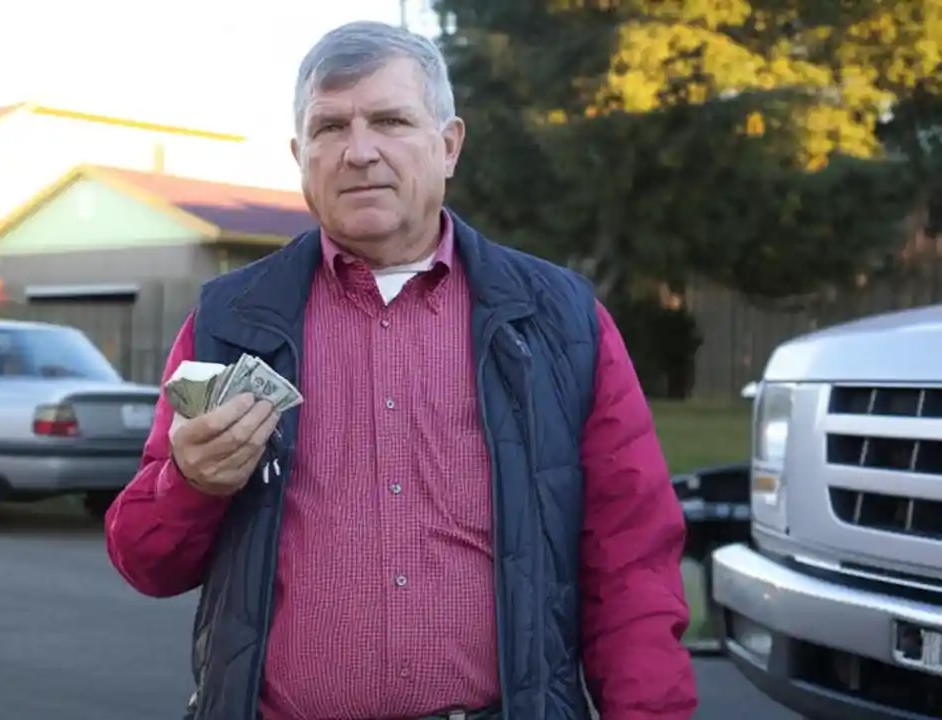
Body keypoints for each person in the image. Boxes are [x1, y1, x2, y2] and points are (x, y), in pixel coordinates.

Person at [105, 19, 698, 720]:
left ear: (448, 146)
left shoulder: (559, 322)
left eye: (390, 119)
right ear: (300, 156)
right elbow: (146, 561)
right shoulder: (227, 324)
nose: (359, 152)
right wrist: (190, 484)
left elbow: (631, 562)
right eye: (330, 128)